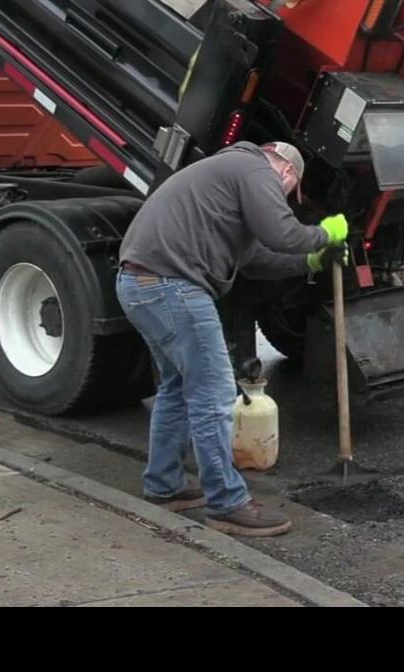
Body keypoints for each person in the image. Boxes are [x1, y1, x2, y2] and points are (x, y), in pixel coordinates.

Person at [116, 140, 347, 536]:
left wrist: (308, 261)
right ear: (287, 173)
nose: (285, 199)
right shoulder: (255, 168)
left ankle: (164, 485)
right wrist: (324, 235)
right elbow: (282, 232)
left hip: (142, 283)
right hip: (173, 286)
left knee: (176, 388)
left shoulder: (227, 180)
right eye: (289, 194)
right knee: (215, 393)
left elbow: (256, 259)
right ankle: (226, 502)